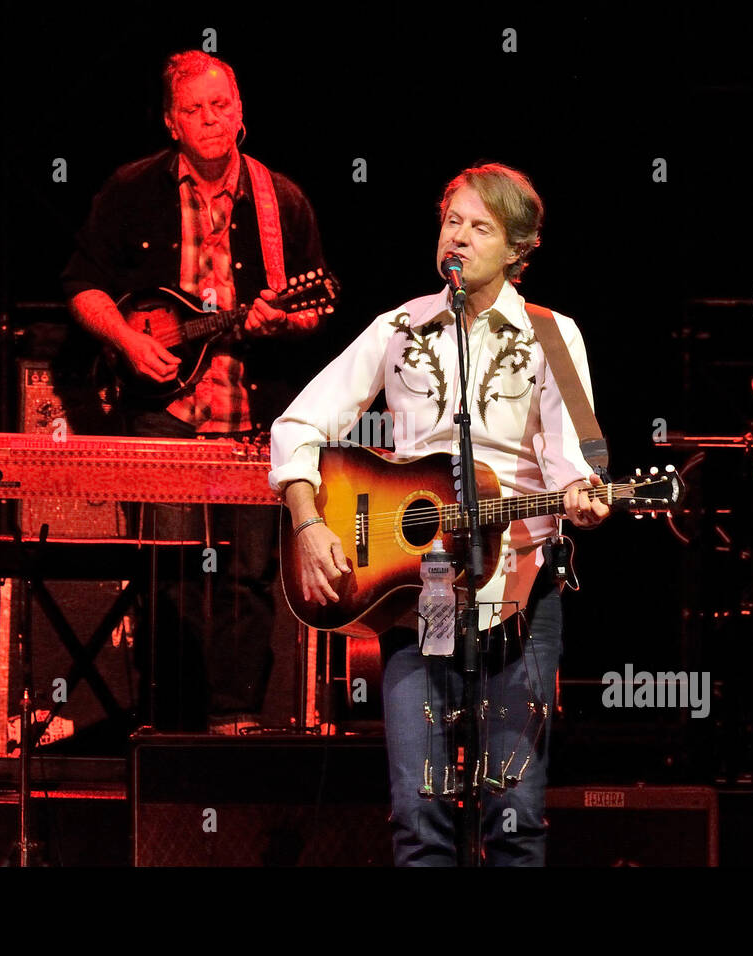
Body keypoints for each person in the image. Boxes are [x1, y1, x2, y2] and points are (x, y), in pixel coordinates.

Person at [268, 163, 610, 864]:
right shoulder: (398, 326)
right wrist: (308, 523)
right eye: (452, 220)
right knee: (418, 815)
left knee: (514, 815)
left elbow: (581, 449)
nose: (457, 236)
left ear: (519, 249)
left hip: (519, 591)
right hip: (416, 595)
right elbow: (296, 425)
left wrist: (586, 492)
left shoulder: (554, 334)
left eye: (479, 227)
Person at [62, 50, 327, 733]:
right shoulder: (131, 189)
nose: (210, 121)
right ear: (170, 122)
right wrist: (127, 339)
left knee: (249, 577)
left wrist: (282, 320)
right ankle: (169, 721)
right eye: (194, 110)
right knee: (167, 575)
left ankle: (234, 716)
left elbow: (317, 309)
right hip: (163, 415)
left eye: (221, 107)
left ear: (241, 114)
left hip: (252, 416)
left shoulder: (282, 200)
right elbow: (82, 284)